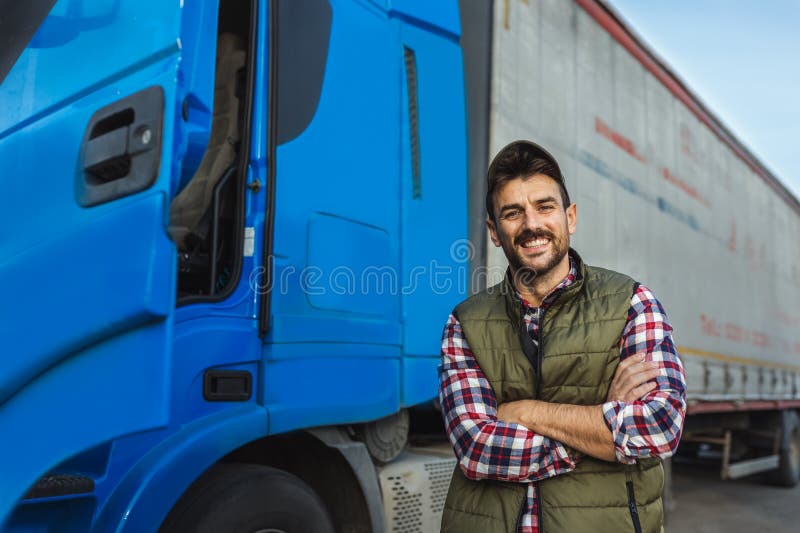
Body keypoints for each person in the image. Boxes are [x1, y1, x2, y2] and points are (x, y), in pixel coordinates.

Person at [438, 140, 686, 533]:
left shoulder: (631, 303)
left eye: (545, 207)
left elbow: (660, 425)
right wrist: (601, 427)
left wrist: (526, 412)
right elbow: (477, 448)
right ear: (494, 231)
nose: (531, 224)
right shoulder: (466, 322)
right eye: (513, 213)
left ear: (570, 217)